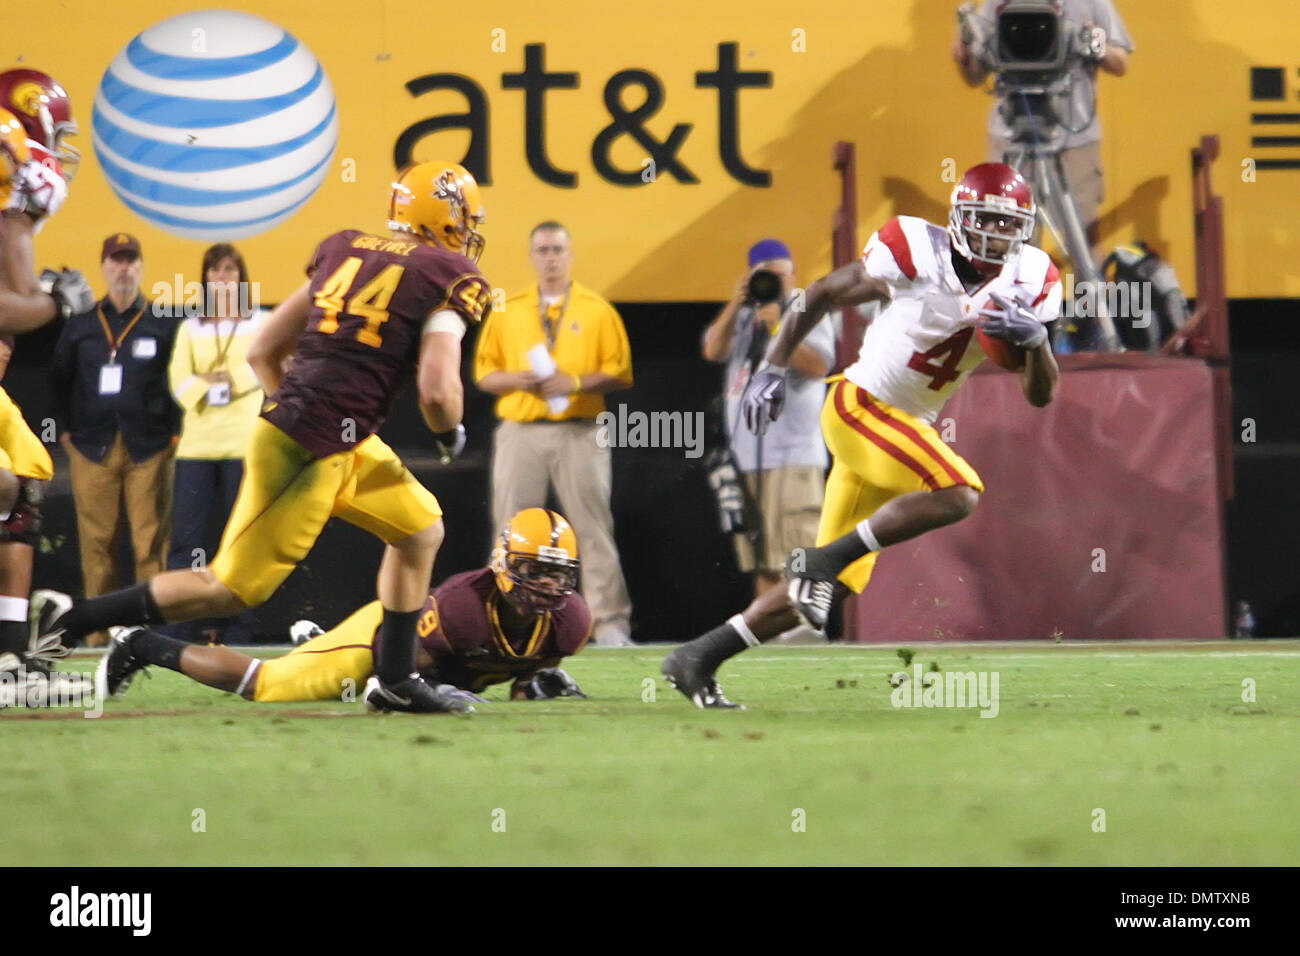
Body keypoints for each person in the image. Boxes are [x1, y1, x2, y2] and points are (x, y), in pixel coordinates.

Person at [46, 161, 493, 715]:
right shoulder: (445, 274)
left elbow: (262, 351)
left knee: (421, 530)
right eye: (467, 218)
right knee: (228, 588)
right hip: (312, 447)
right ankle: (73, 621)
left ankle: (396, 679)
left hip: (334, 439)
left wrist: (299, 409)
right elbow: (436, 392)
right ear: (445, 216)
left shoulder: (346, 249)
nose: (471, 231)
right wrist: (449, 435)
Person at [663, 162, 1062, 707]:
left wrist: (1037, 342)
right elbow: (823, 291)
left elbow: (1040, 394)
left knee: (841, 582)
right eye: (985, 222)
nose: (995, 236)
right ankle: (819, 563)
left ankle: (697, 657)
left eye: (1006, 225)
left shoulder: (1031, 279)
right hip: (860, 406)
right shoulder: (916, 249)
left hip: (902, 426)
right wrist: (774, 369)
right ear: (960, 219)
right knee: (958, 492)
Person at [97, 508, 590, 706]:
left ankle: (317, 643)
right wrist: (438, 694)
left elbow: (525, 682)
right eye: (534, 569)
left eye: (557, 573)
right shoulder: (464, 607)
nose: (547, 585)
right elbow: (389, 680)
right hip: (383, 644)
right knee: (266, 686)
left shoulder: (570, 624)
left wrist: (534, 687)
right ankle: (141, 643)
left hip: (420, 659)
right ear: (504, 564)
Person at [474, 221, 635, 646]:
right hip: (521, 430)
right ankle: (501, 621)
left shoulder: (596, 309)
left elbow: (621, 373)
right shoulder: (508, 308)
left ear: (570, 254)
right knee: (509, 530)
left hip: (580, 431)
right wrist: (516, 378)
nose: (550, 258)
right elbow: (484, 374)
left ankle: (609, 624)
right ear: (531, 256)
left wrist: (576, 383)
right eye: (543, 250)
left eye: (558, 249)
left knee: (592, 528)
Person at [0, 89, 95, 681]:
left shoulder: (12, 220)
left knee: (23, 489)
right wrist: (58, 304)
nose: (58, 159)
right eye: (51, 142)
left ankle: (10, 654)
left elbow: (20, 295)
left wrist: (47, 294)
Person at [49, 233, 181, 647]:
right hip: (92, 446)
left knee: (149, 541)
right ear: (104, 268)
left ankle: (150, 633)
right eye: (116, 261)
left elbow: (178, 379)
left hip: (150, 446)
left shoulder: (162, 322)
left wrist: (175, 432)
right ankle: (98, 636)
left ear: (141, 267)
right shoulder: (83, 325)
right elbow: (58, 379)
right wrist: (65, 431)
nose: (123, 268)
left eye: (131, 260)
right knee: (97, 543)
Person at [702, 239, 834, 601]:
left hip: (791, 458)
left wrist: (780, 329)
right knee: (762, 560)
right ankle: (771, 639)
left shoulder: (807, 309)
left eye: (781, 275)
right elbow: (714, 350)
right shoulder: (746, 315)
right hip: (748, 461)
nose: (776, 283)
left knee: (798, 553)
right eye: (765, 276)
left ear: (794, 274)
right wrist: (736, 303)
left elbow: (818, 366)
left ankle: (805, 632)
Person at [951, 0, 1133, 247]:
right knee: (1003, 240)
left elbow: (1120, 63)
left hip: (1075, 141)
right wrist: (963, 57)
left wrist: (1094, 41)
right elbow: (975, 75)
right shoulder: (998, 3)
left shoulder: (1091, 2)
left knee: (1084, 239)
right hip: (1010, 137)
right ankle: (1013, 286)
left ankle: (1086, 287)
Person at [166, 243, 263, 643]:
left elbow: (262, 365)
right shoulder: (191, 327)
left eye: (229, 269)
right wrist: (209, 388)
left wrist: (227, 381)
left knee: (242, 539)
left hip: (245, 446)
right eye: (215, 270)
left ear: (241, 276)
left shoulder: (260, 321)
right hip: (197, 448)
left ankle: (238, 628)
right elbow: (179, 380)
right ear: (205, 278)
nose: (223, 277)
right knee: (186, 542)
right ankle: (180, 626)